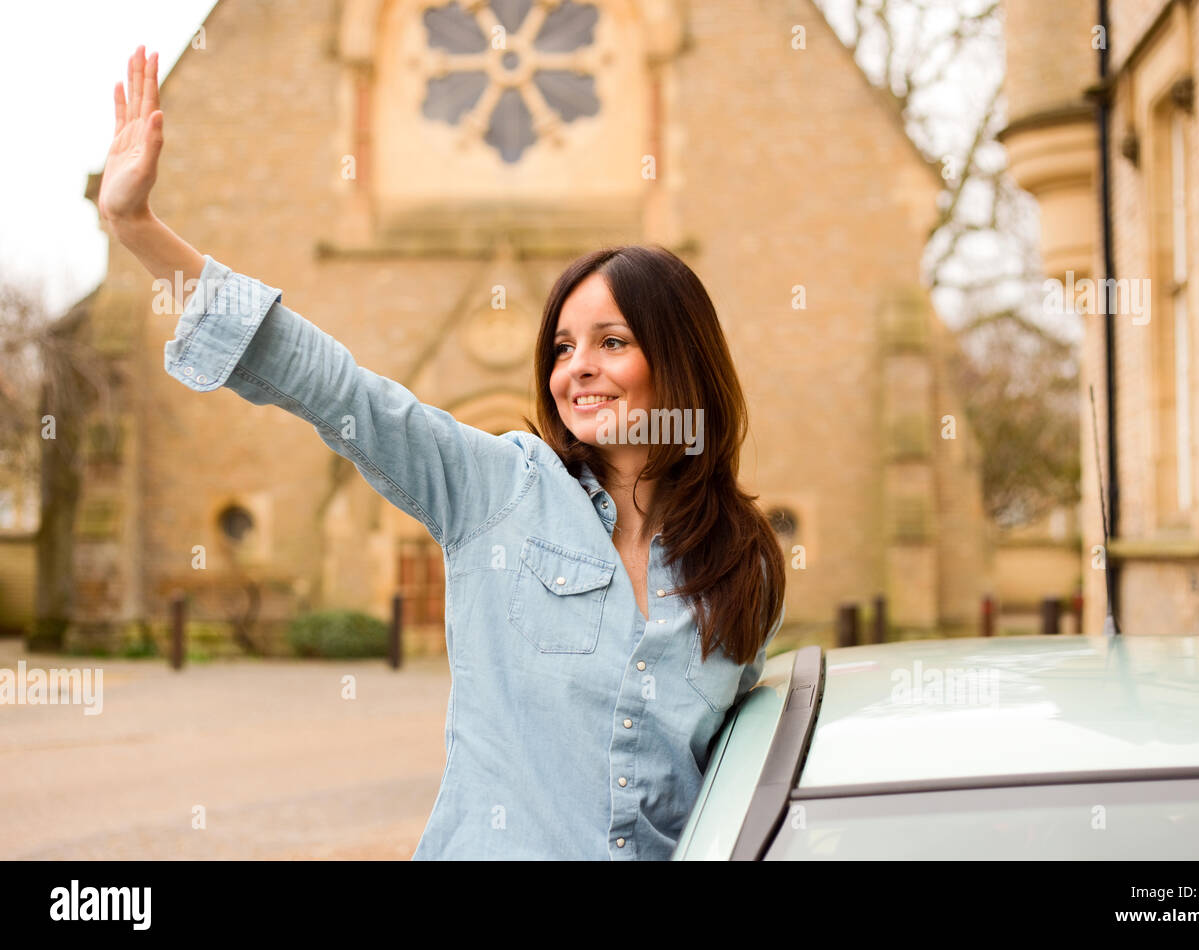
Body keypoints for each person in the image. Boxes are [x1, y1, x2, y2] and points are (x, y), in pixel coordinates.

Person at [99, 45, 787, 860]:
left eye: (612, 341)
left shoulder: (743, 564)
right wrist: (138, 229)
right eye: (563, 347)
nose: (579, 369)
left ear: (679, 357)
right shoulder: (498, 490)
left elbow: (731, 789)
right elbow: (335, 388)